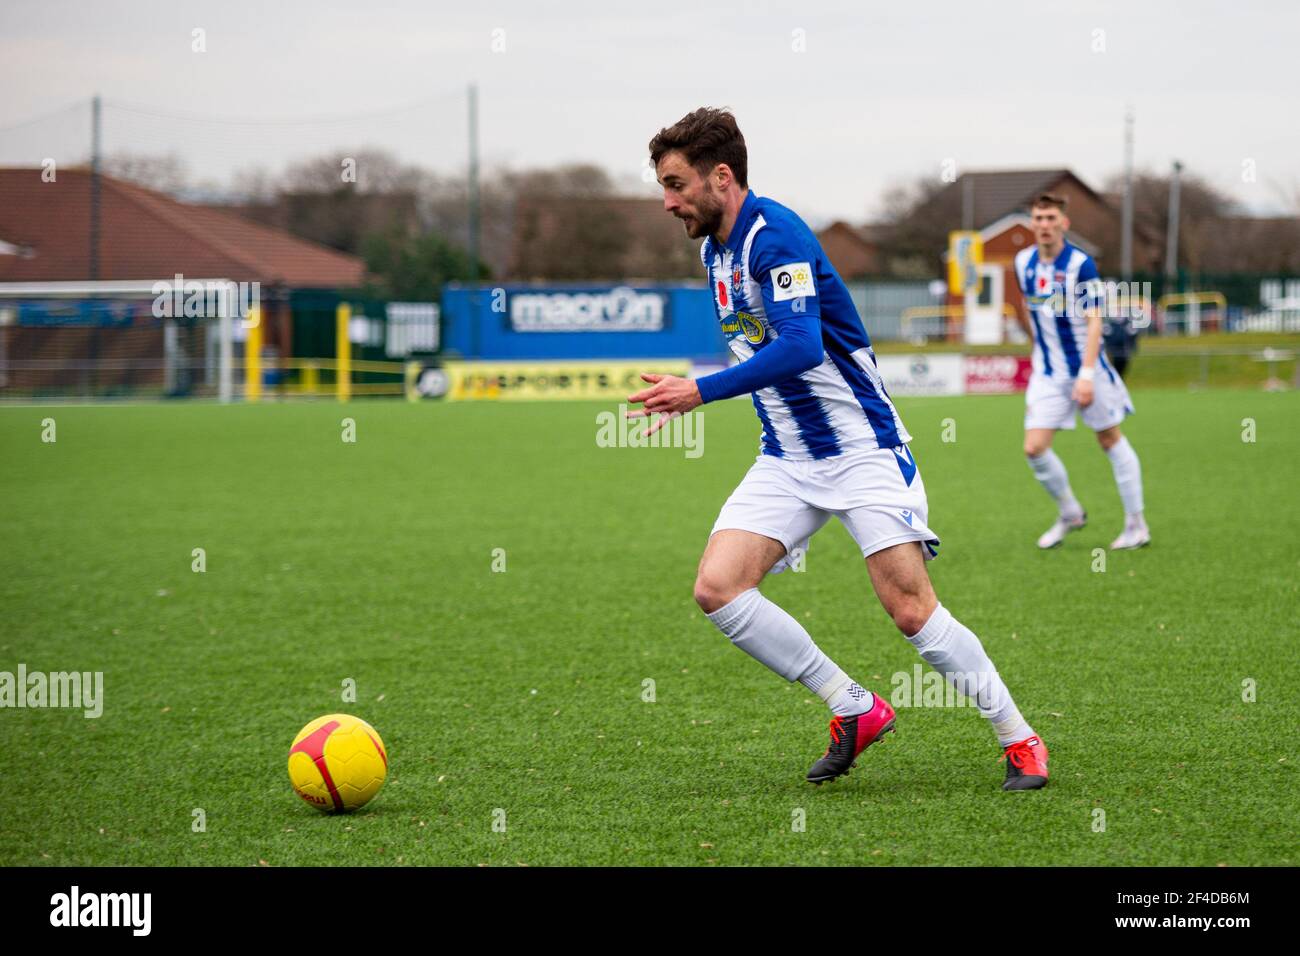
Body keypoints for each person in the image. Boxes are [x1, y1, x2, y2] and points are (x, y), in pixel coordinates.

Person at [627, 107, 1048, 790]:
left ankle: (1020, 739)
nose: (668, 202)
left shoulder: (776, 237)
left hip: (861, 450)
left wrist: (700, 393)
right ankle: (854, 706)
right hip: (786, 457)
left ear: (722, 177)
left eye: (676, 185)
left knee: (910, 609)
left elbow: (801, 345)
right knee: (718, 588)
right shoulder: (713, 250)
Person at [1014, 194, 1150, 550]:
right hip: (1047, 373)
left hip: (1087, 370)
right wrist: (1038, 350)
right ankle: (1071, 512)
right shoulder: (1022, 261)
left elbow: (1094, 323)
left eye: (1050, 218)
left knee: (1109, 439)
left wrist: (1087, 375)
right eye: (1038, 218)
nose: (1044, 224)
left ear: (1064, 223)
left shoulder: (1080, 265)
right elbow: (1031, 312)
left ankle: (1136, 524)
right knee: (1034, 448)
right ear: (1032, 223)